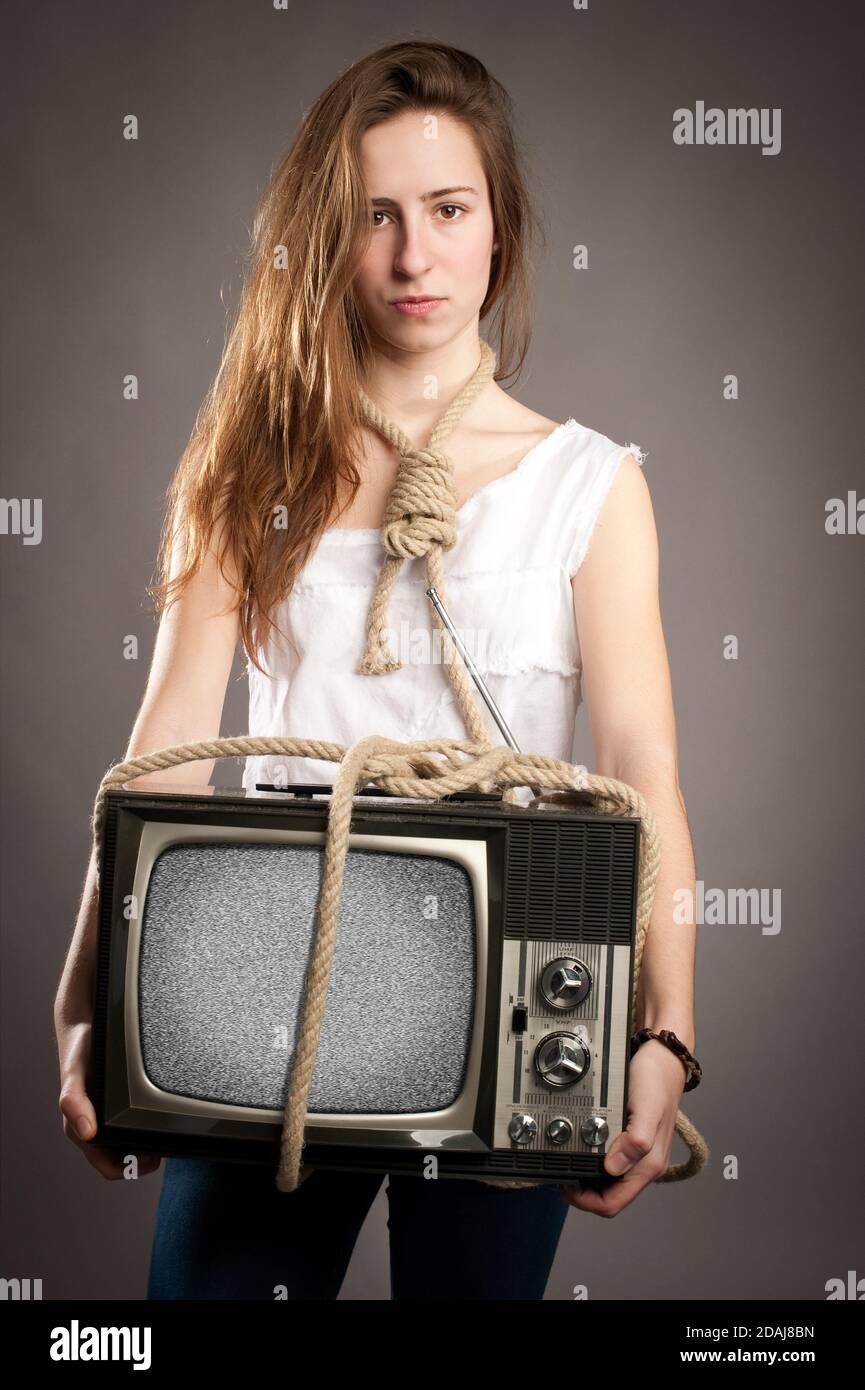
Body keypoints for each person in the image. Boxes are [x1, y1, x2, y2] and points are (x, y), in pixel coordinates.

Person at [54, 38, 697, 1301]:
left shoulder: (593, 486)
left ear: (499, 229)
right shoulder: (245, 470)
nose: (415, 257)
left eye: (449, 211)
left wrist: (670, 1033)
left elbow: (641, 774)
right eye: (375, 218)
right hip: (271, 988)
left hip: (509, 977)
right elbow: (158, 751)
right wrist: (82, 1004)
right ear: (325, 239)